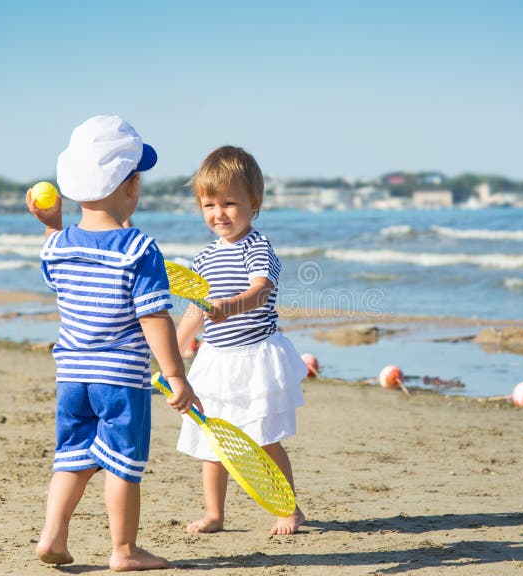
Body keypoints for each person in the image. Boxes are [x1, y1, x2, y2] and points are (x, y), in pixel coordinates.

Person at [26, 115, 202, 571]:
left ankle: (53, 534)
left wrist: (52, 223)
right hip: (120, 378)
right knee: (123, 464)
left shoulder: (58, 245)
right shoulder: (138, 248)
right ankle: (123, 551)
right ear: (131, 186)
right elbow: (153, 315)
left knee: (72, 457)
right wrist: (175, 373)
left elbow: (56, 267)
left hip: (72, 376)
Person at [175, 145, 307, 535]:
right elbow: (195, 309)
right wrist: (177, 347)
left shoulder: (257, 246)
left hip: (255, 358)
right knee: (212, 440)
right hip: (216, 360)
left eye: (230, 203)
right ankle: (215, 515)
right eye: (209, 205)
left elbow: (261, 290)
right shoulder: (203, 258)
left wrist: (228, 307)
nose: (219, 213)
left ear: (255, 202)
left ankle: (289, 508)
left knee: (266, 439)